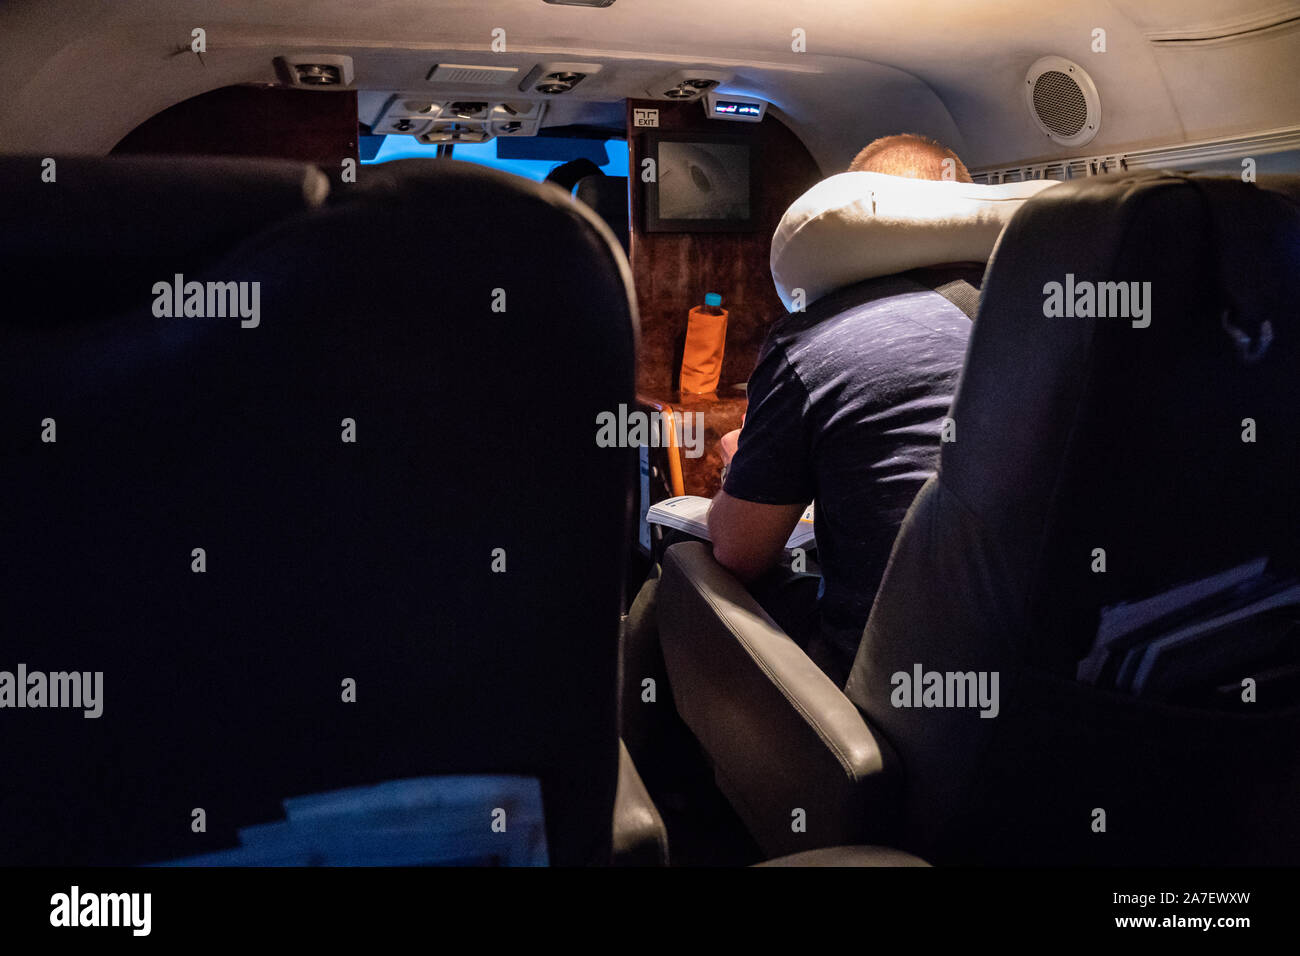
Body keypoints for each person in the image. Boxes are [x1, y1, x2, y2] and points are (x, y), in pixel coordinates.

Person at [708, 133, 977, 685]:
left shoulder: (810, 341)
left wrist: (742, 468)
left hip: (893, 680)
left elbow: (740, 552)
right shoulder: (1062, 316)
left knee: (677, 578)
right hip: (1065, 680)